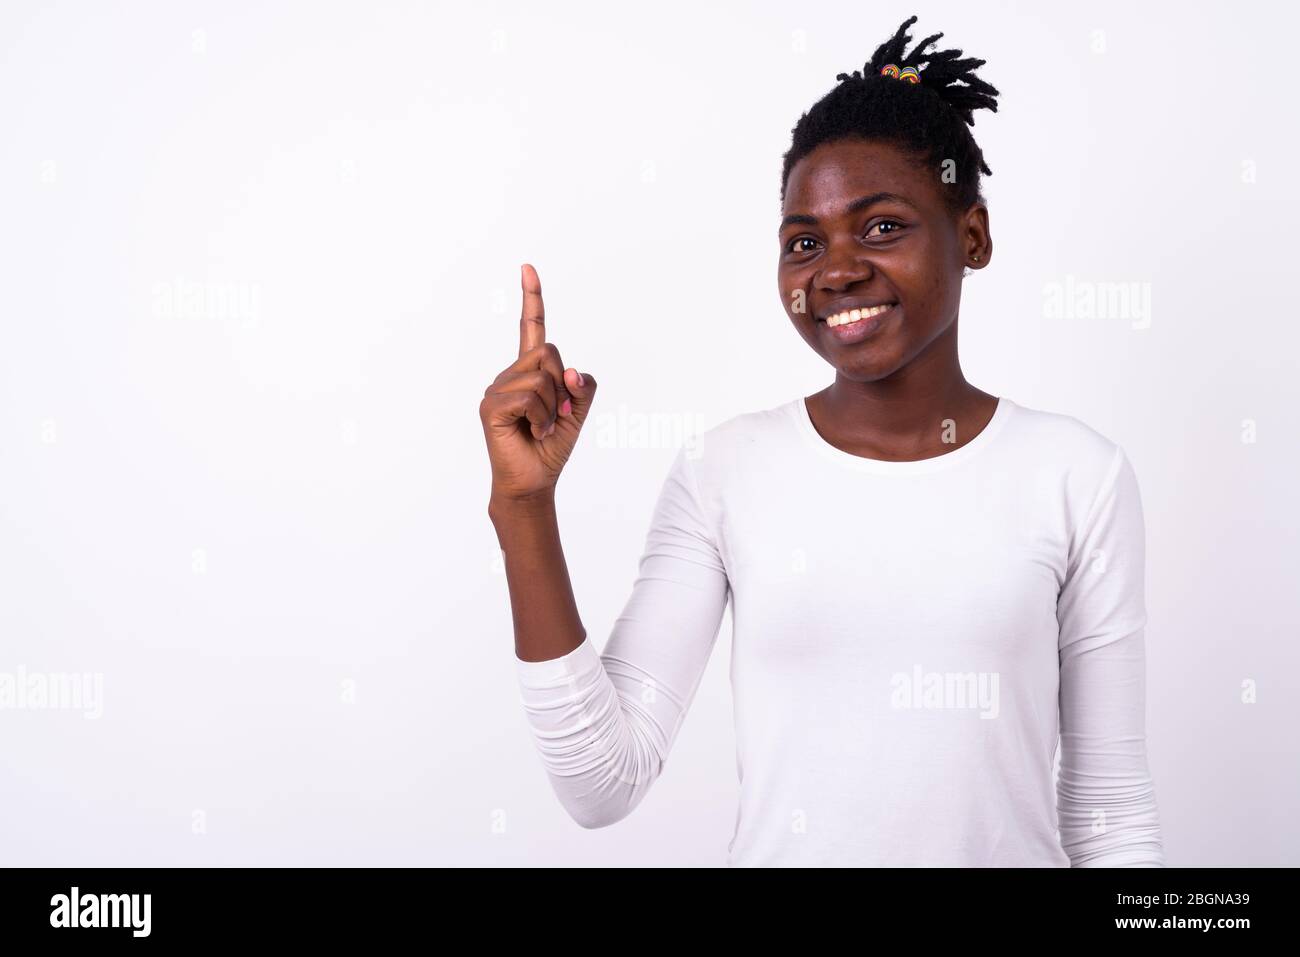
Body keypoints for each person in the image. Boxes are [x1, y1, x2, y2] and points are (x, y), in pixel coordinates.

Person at [479, 15, 1165, 867]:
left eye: (882, 227)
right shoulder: (723, 471)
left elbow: (1110, 816)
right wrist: (524, 504)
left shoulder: (1077, 475)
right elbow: (601, 783)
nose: (835, 270)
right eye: (805, 242)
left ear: (974, 237)